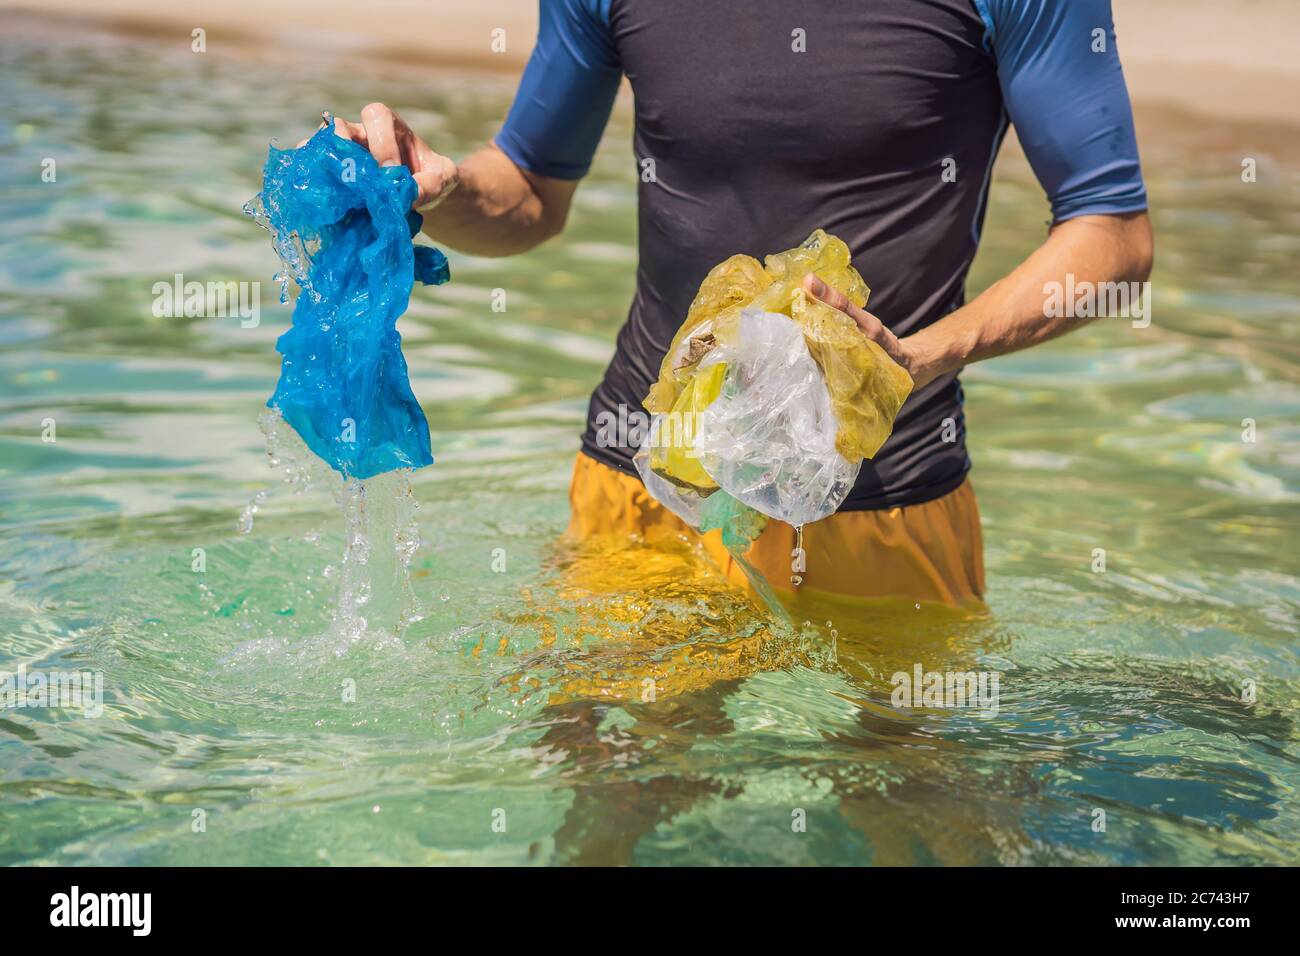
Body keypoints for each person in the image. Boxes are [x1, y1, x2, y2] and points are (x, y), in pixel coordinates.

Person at [315, 0, 1153, 607]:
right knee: (613, 804)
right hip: (649, 478)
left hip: (886, 493)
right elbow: (531, 189)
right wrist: (445, 186)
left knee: (914, 820)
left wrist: (919, 357)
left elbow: (1113, 235)